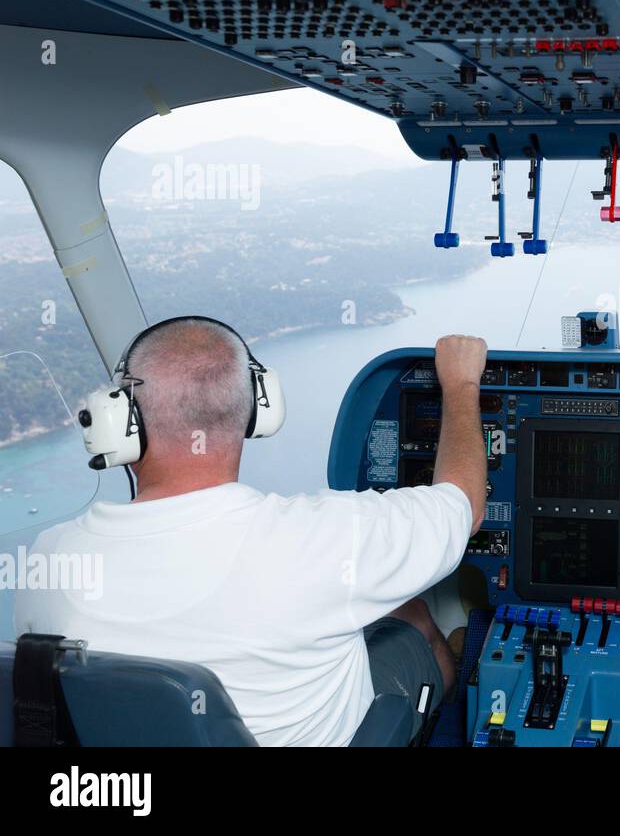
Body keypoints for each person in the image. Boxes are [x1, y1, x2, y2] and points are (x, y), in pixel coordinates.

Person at [13, 318, 487, 746]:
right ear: (261, 410)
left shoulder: (53, 557)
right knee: (415, 616)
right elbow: (464, 506)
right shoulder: (330, 538)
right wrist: (462, 384)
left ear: (119, 423)